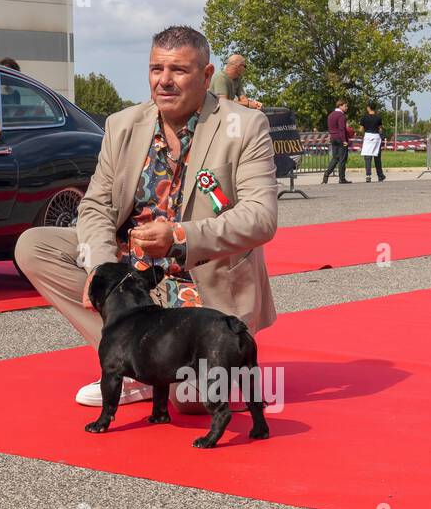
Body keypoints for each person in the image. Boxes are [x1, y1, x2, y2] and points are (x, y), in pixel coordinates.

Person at [15, 24, 277, 410]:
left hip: (202, 281)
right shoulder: (122, 125)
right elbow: (96, 206)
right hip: (133, 277)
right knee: (34, 246)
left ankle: (198, 365)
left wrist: (180, 235)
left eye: (179, 71)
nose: (164, 81)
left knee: (189, 402)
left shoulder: (245, 126)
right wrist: (103, 270)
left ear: (206, 76)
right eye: (157, 69)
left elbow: (261, 217)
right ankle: (128, 363)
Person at [322, 98, 351, 184]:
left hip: (333, 138)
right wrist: (344, 140)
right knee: (342, 159)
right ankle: (342, 179)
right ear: (340, 106)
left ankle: (326, 175)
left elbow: (331, 128)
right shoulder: (341, 116)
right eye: (345, 106)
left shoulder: (331, 115)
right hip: (340, 138)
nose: (347, 108)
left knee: (335, 158)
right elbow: (342, 129)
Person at [359, 102, 385, 182]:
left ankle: (368, 175)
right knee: (377, 157)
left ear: (368, 108)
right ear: (375, 108)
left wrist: (364, 134)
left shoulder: (364, 118)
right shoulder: (378, 118)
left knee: (367, 157)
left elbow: (361, 129)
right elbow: (380, 129)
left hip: (367, 136)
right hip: (376, 137)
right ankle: (380, 175)